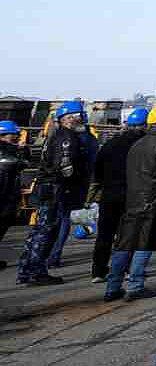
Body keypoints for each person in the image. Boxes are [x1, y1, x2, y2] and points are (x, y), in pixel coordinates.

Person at [16, 100, 93, 285]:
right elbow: (65, 167)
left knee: (39, 231)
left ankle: (26, 269)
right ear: (70, 118)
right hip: (56, 190)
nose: (82, 119)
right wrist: (73, 182)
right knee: (47, 232)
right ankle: (36, 272)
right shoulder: (68, 138)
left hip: (48, 188)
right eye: (80, 116)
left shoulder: (56, 135)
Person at [108, 103, 156, 302]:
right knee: (143, 244)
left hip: (132, 199)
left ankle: (112, 287)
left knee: (124, 243)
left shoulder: (138, 144)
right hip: (153, 200)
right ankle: (135, 285)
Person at [91, 107, 148, 284]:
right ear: (145, 125)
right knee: (128, 236)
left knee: (104, 235)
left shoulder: (110, 144)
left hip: (109, 195)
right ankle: (125, 270)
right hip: (132, 196)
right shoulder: (143, 146)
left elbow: (97, 170)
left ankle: (98, 271)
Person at [0, 121, 26, 271]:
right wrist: (21, 151)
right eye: (13, 135)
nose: (16, 138)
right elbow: (18, 163)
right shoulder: (6, 151)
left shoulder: (10, 149)